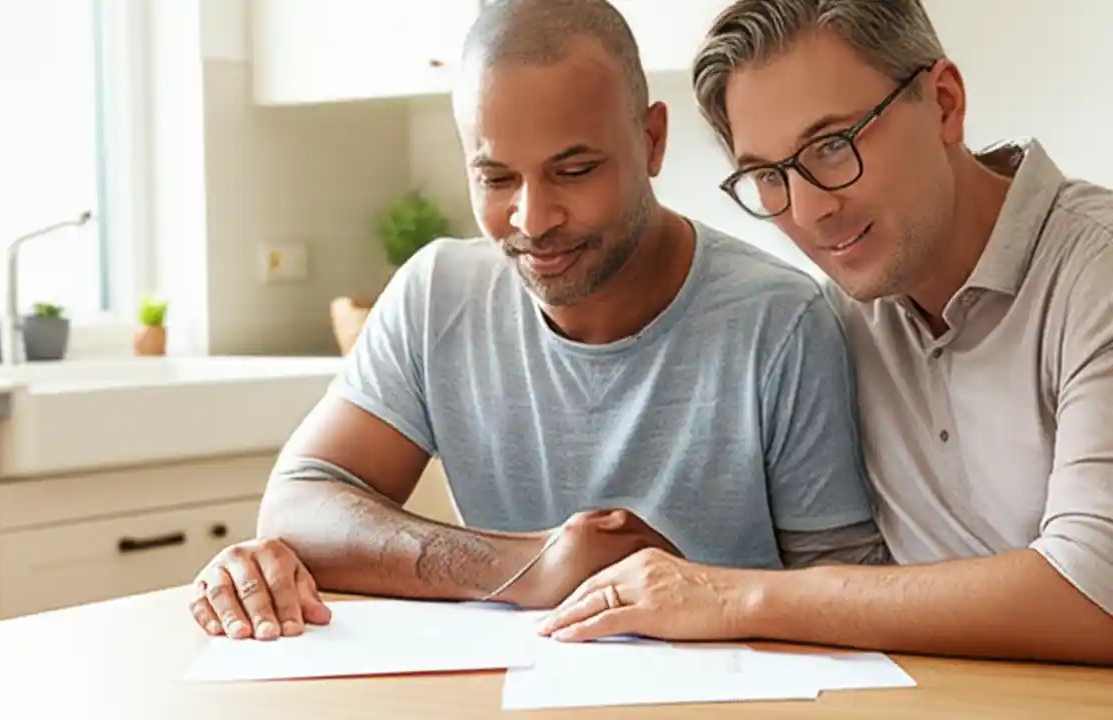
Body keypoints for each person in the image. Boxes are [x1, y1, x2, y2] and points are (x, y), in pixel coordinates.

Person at [187, 0, 887, 642]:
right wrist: (529, 565)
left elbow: (847, 604)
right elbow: (299, 502)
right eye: (495, 179)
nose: (532, 220)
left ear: (652, 141)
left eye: (575, 170)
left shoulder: (783, 322)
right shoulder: (438, 294)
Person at [538, 0, 1113, 665]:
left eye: (834, 146)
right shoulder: (833, 316)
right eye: (768, 176)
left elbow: (1094, 590)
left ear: (945, 103)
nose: (811, 211)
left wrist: (736, 598)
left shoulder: (1093, 274)